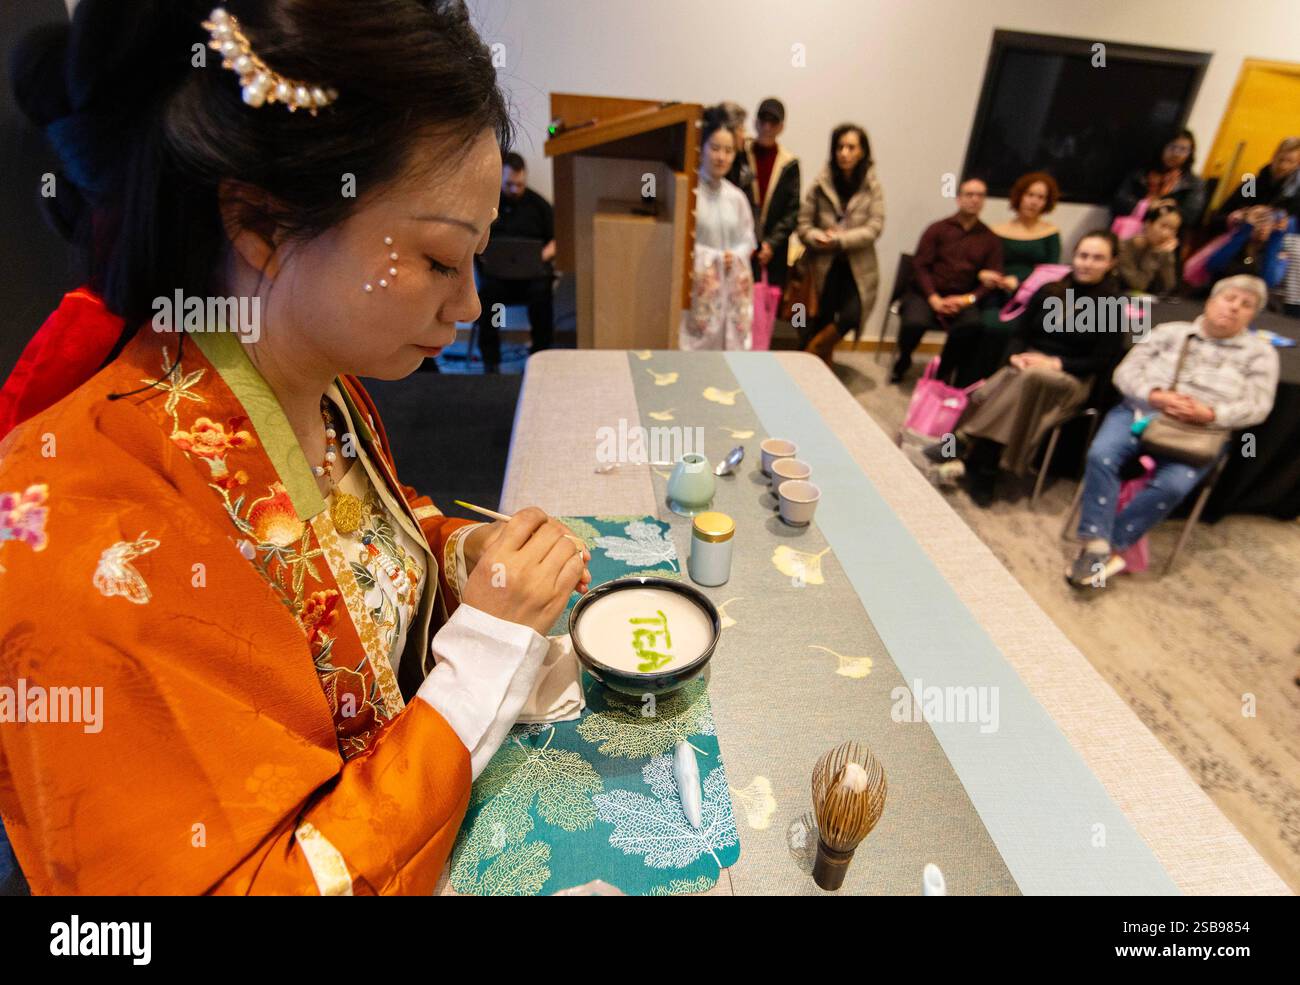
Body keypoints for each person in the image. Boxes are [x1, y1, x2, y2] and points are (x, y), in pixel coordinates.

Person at [0, 0, 593, 895]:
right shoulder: (80, 531)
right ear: (263, 222)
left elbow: (352, 568)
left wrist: (460, 553)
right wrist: (481, 658)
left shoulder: (317, 385)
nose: (471, 305)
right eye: (439, 260)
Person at [1067, 275, 1279, 589]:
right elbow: (1124, 373)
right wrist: (1155, 395)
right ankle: (1097, 545)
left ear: (1253, 315)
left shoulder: (1261, 354)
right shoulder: (1169, 332)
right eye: (1229, 298)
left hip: (1201, 432)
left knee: (1173, 485)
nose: (1234, 308)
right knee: (1102, 455)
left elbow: (1258, 406)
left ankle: (1109, 547)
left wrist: (1211, 414)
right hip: (1140, 412)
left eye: (1246, 305)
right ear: (1211, 301)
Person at [926, 231, 1128, 506]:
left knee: (1020, 380)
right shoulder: (1050, 290)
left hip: (1071, 378)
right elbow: (1019, 334)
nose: (1087, 263)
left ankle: (961, 442)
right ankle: (986, 466)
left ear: (1111, 263)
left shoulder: (1112, 306)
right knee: (985, 393)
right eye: (1083, 256)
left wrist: (1054, 363)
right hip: (1027, 367)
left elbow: (1103, 361)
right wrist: (1016, 357)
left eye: (1097, 258)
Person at [893, 177, 1002, 385]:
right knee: (914, 323)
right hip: (926, 294)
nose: (974, 199)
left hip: (963, 298)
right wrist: (933, 298)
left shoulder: (990, 239)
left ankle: (943, 373)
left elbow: (991, 279)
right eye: (969, 194)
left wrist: (967, 299)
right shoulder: (937, 229)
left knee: (972, 325)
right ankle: (904, 358)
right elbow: (920, 267)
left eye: (980, 195)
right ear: (959, 199)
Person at [795, 123, 885, 366]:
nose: (844, 153)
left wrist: (840, 239)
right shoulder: (821, 183)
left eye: (851, 147)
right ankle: (817, 370)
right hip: (821, 264)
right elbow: (803, 224)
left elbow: (875, 227)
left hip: (858, 266)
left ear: (862, 151)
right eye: (840, 147)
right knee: (813, 319)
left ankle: (810, 354)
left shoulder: (872, 186)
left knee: (852, 316)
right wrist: (819, 237)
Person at [679, 105, 756, 350]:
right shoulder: (689, 194)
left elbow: (747, 238)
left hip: (730, 289)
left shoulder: (737, 197)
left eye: (728, 150)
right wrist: (712, 259)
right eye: (714, 148)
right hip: (699, 291)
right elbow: (681, 242)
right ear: (701, 148)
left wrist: (735, 255)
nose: (721, 157)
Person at [474, 151, 556, 372]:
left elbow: (556, 240)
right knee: (490, 300)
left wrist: (540, 256)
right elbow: (474, 237)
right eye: (509, 184)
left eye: (519, 184)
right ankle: (492, 361)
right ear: (500, 177)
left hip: (532, 278)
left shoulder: (539, 205)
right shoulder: (488, 205)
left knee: (543, 294)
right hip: (497, 278)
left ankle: (539, 356)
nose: (515, 189)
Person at [974, 171, 1062, 378]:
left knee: (1015, 330)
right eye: (1030, 195)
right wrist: (986, 275)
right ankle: (975, 379)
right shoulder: (997, 230)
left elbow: (1051, 272)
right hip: (996, 292)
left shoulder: (1050, 233)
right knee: (988, 325)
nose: (1034, 201)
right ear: (1020, 196)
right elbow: (984, 263)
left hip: (1031, 298)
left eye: (1041, 197)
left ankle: (1002, 379)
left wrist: (1021, 282)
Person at [744, 98, 801, 292]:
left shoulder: (789, 164)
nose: (767, 127)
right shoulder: (741, 155)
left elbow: (792, 212)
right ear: (755, 122)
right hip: (742, 246)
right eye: (763, 120)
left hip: (773, 253)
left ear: (781, 127)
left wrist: (771, 244)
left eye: (773, 122)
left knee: (767, 304)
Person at [1111, 127, 1206, 233]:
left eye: (1183, 150)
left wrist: (1164, 208)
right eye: (1172, 147)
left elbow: (1190, 217)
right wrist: (1147, 207)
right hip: (1127, 232)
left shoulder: (1193, 183)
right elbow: (1119, 202)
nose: (1176, 154)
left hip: (1164, 237)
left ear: (1190, 154)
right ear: (1162, 147)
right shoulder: (1140, 174)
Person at [1213, 136, 1300, 227]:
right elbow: (1216, 220)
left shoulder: (1296, 196)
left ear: (1297, 165)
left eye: (1290, 162)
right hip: (1241, 232)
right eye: (1281, 159)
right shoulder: (1250, 185)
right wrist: (1236, 217)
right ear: (1274, 156)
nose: (1283, 166)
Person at [1117, 200, 1181, 294]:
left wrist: (1167, 256)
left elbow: (1169, 286)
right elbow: (1139, 284)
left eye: (1173, 229)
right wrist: (1155, 254)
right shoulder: (1125, 247)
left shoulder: (1163, 251)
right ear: (1148, 224)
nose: (1166, 233)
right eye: (1163, 226)